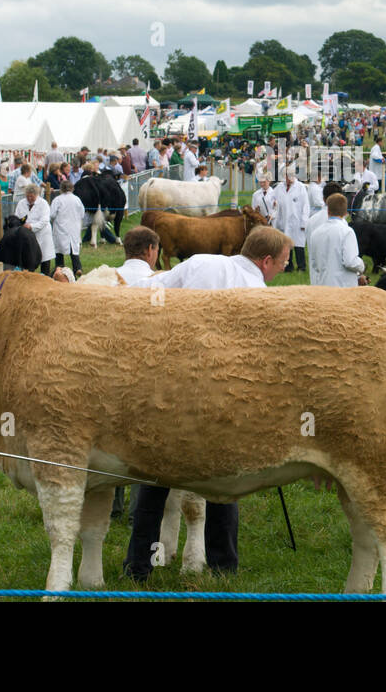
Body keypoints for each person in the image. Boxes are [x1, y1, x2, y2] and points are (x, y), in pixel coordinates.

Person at [125, 227, 292, 582]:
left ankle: (138, 566)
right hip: (224, 400)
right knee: (221, 482)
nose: (282, 270)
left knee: (155, 475)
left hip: (171, 388)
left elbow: (145, 293)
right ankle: (222, 566)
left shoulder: (200, 263)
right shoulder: (261, 297)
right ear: (265, 261)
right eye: (282, 264)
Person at [308, 193, 367, 287]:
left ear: (328, 211)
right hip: (343, 288)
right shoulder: (347, 232)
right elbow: (350, 262)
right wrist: (361, 265)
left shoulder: (316, 233)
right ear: (345, 213)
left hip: (322, 286)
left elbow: (315, 264)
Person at [271, 170, 309, 272]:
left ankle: (301, 267)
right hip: (284, 220)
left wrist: (304, 221)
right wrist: (273, 203)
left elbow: (306, 205)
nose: (289, 179)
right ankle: (289, 266)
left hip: (297, 221)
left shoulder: (300, 187)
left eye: (291, 176)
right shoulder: (279, 187)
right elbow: (272, 198)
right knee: (287, 245)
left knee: (299, 245)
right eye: (287, 176)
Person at [15, 183, 56, 276]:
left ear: (37, 195)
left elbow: (45, 220)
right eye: (27, 196)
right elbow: (17, 217)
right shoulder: (21, 203)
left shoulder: (43, 204)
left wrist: (32, 226)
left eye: (32, 197)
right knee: (29, 258)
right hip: (27, 236)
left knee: (44, 257)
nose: (29, 199)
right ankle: (29, 277)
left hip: (42, 234)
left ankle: (45, 277)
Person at [50, 179, 84, 277]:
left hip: (61, 228)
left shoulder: (57, 200)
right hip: (73, 228)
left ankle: (59, 269)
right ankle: (77, 267)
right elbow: (82, 214)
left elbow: (52, 215)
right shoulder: (77, 199)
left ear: (61, 188)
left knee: (59, 251)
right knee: (74, 249)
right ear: (72, 188)